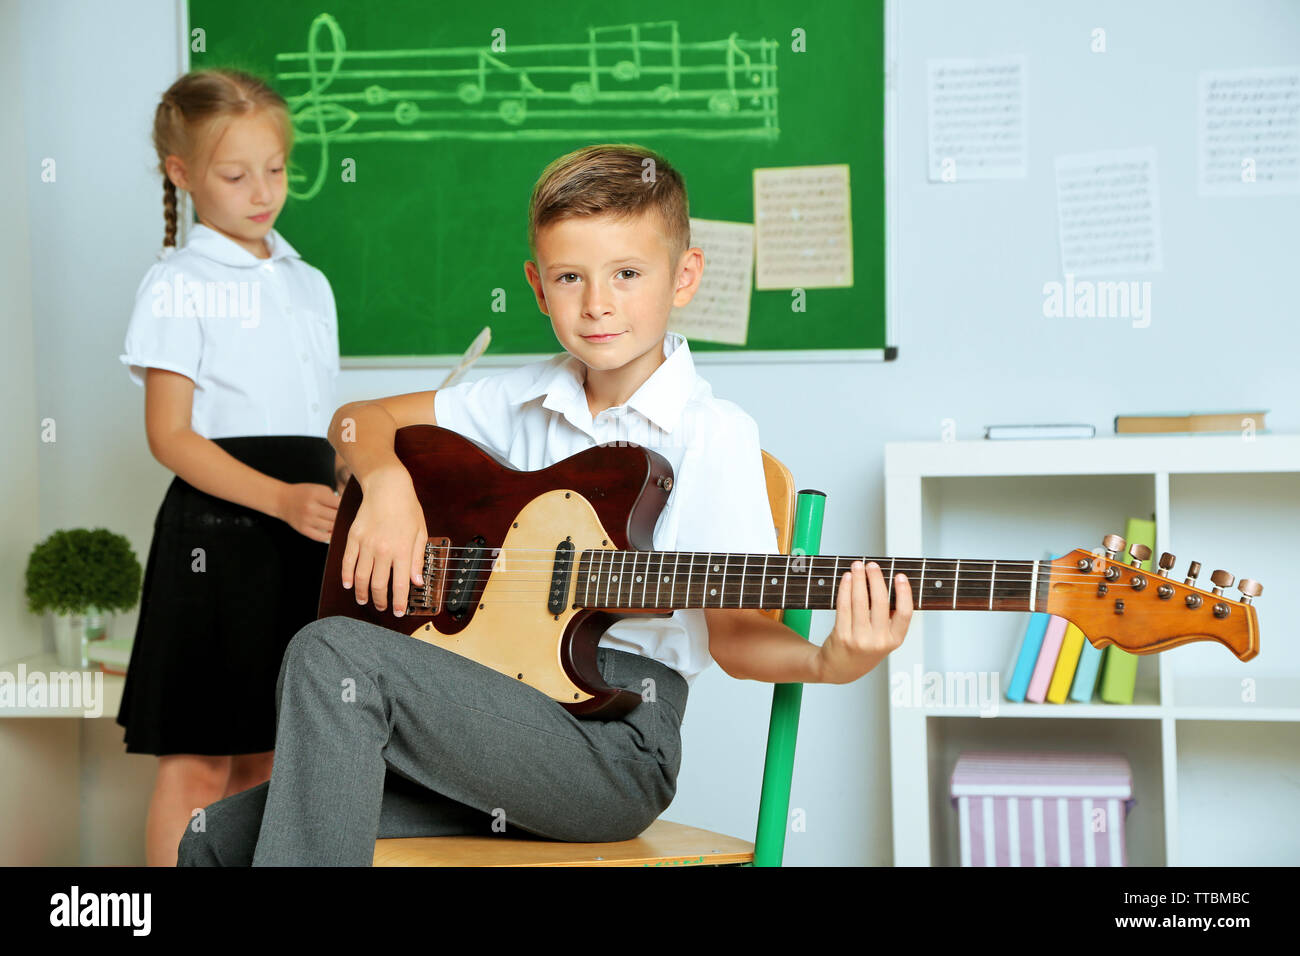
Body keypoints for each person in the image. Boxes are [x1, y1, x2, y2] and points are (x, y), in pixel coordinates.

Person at [176, 143, 914, 866]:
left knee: (330, 651)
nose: (598, 304)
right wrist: (389, 486)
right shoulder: (516, 399)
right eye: (570, 277)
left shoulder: (714, 434)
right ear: (536, 286)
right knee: (213, 836)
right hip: (476, 725)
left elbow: (734, 637)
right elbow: (351, 420)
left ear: (684, 276)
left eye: (628, 273)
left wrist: (831, 659)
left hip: (609, 749)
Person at [117, 68, 348, 866]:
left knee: (272, 755)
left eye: (277, 169)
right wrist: (282, 500)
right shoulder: (176, 285)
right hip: (217, 538)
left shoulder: (309, 282)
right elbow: (171, 438)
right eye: (235, 173)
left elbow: (312, 419)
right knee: (200, 759)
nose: (263, 191)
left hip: (302, 534)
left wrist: (343, 478)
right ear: (182, 175)